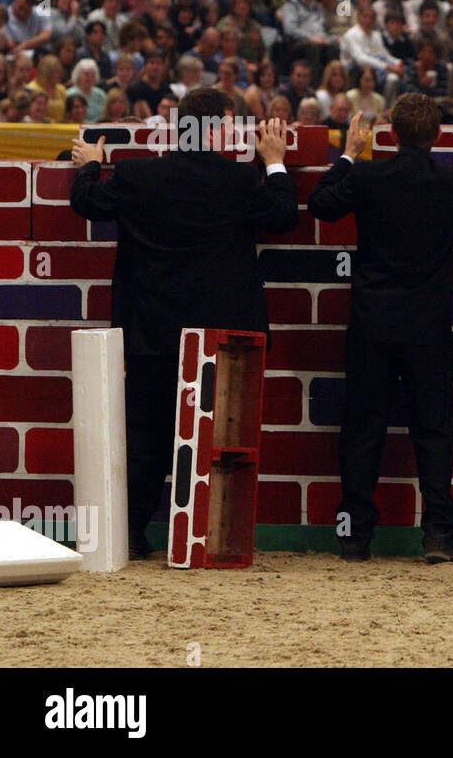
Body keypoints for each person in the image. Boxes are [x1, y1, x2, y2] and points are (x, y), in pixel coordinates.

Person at [69, 88, 298, 560]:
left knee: (147, 435)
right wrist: (274, 162)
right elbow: (283, 216)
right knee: (218, 437)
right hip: (221, 337)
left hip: (152, 327)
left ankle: (131, 532)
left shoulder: (138, 175)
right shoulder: (238, 181)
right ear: (214, 129)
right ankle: (210, 535)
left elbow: (87, 202)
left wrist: (92, 161)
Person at [308, 98, 453, 563]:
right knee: (433, 429)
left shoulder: (368, 177)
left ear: (390, 133)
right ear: (437, 135)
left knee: (362, 428)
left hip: (370, 322)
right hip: (428, 325)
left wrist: (349, 152)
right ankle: (439, 536)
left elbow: (320, 206)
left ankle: (354, 537)